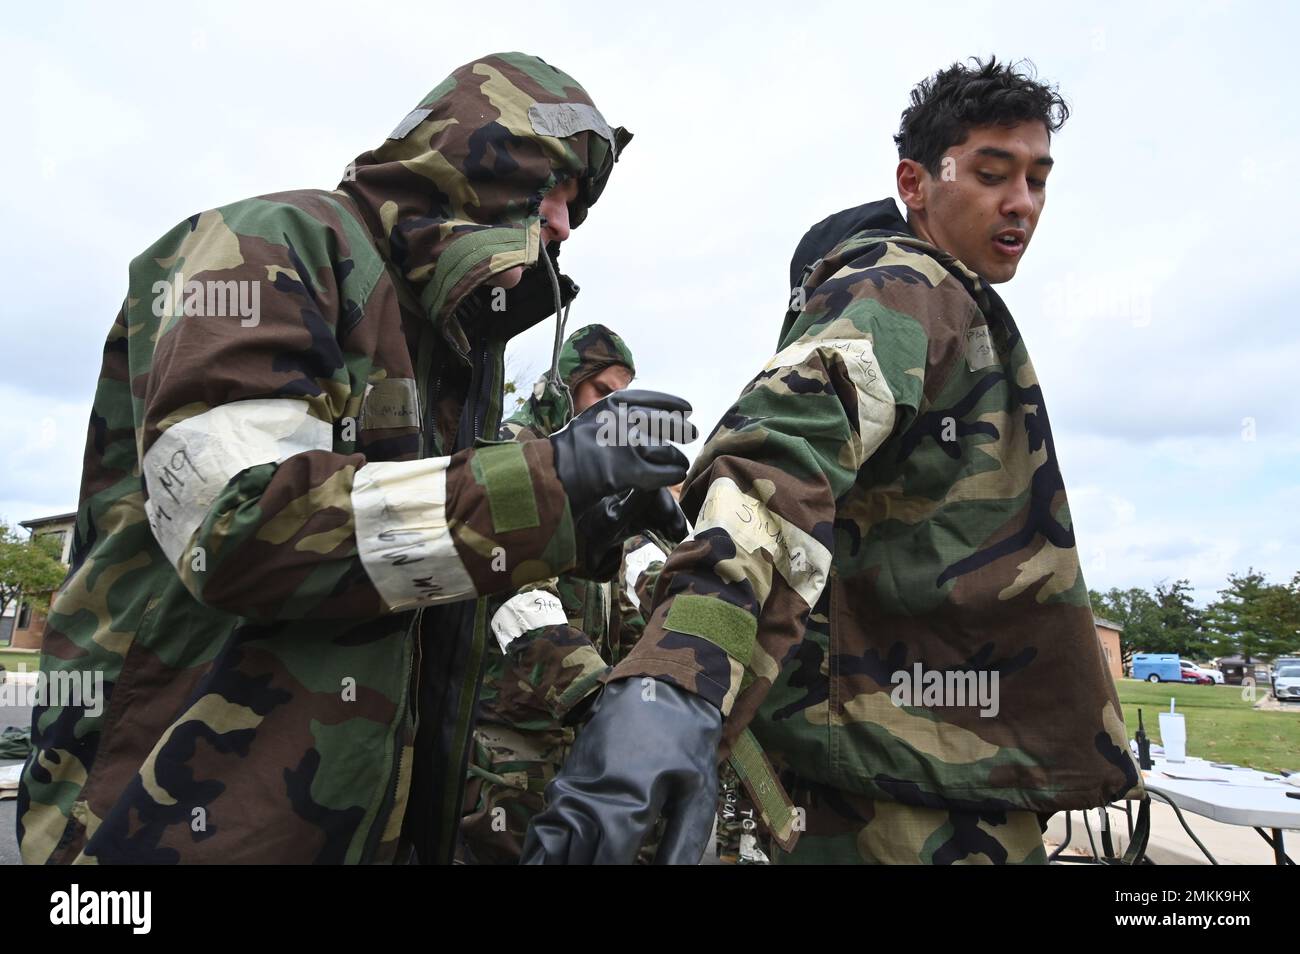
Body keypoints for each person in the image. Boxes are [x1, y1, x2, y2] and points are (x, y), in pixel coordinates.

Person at [18, 52, 694, 865]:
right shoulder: (273, 243)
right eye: (558, 187)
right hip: (157, 831)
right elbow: (237, 526)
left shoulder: (446, 348)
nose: (565, 226)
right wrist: (548, 482)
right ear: (476, 157)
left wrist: (581, 526)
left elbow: (414, 559)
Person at [525, 56, 1145, 865]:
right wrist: (680, 679)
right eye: (992, 174)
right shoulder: (901, 285)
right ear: (915, 184)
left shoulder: (953, 305)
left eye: (1037, 179)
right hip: (907, 803)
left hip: (921, 772)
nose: (1021, 202)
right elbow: (779, 456)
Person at [459, 324, 684, 863]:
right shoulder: (511, 449)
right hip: (512, 733)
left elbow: (629, 590)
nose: (612, 408)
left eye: (621, 396)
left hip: (582, 735)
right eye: (602, 392)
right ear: (566, 384)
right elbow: (513, 592)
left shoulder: (609, 479)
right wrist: (597, 694)